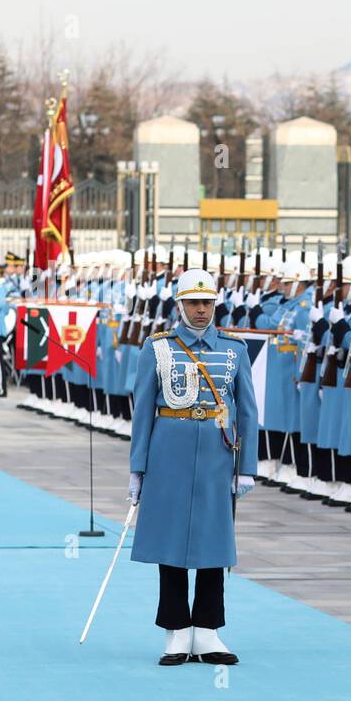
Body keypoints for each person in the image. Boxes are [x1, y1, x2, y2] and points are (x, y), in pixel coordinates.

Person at [128, 268, 259, 666]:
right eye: (193, 303)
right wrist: (137, 467)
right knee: (170, 539)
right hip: (169, 449)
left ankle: (207, 630)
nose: (201, 311)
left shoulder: (234, 349)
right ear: (179, 305)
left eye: (207, 303)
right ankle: (176, 630)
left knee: (213, 540)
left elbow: (249, 412)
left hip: (218, 454)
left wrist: (247, 465)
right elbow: (142, 412)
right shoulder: (157, 348)